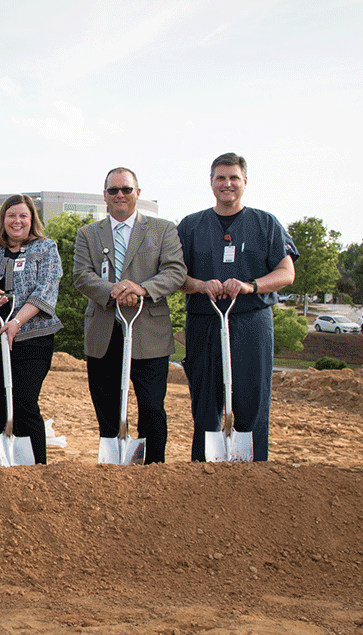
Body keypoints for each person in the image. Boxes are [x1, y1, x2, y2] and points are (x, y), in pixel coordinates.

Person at [178, 152, 297, 462]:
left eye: (233, 178)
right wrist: (201, 285)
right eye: (220, 177)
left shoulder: (266, 223)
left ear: (245, 182)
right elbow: (175, 276)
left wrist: (251, 286)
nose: (227, 184)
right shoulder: (191, 225)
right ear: (211, 182)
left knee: (252, 398)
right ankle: (204, 467)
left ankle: (252, 469)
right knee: (205, 400)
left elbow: (286, 273)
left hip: (250, 321)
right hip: (205, 319)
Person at [73, 168, 186, 463]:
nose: (120, 195)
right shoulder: (88, 234)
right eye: (113, 191)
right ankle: (115, 468)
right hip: (104, 333)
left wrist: (142, 288)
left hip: (148, 333)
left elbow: (175, 271)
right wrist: (114, 291)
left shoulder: (163, 230)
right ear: (105, 195)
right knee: (107, 406)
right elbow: (82, 275)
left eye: (126, 189)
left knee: (151, 407)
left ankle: (153, 468)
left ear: (138, 192)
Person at [0, 194, 62, 464]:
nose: (17, 221)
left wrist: (17, 321)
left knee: (24, 403)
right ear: (3, 220)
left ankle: (36, 469)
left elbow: (46, 291)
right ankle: (6, 469)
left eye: (23, 216)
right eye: (11, 216)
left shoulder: (46, 247)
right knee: (2, 406)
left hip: (32, 338)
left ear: (32, 220)